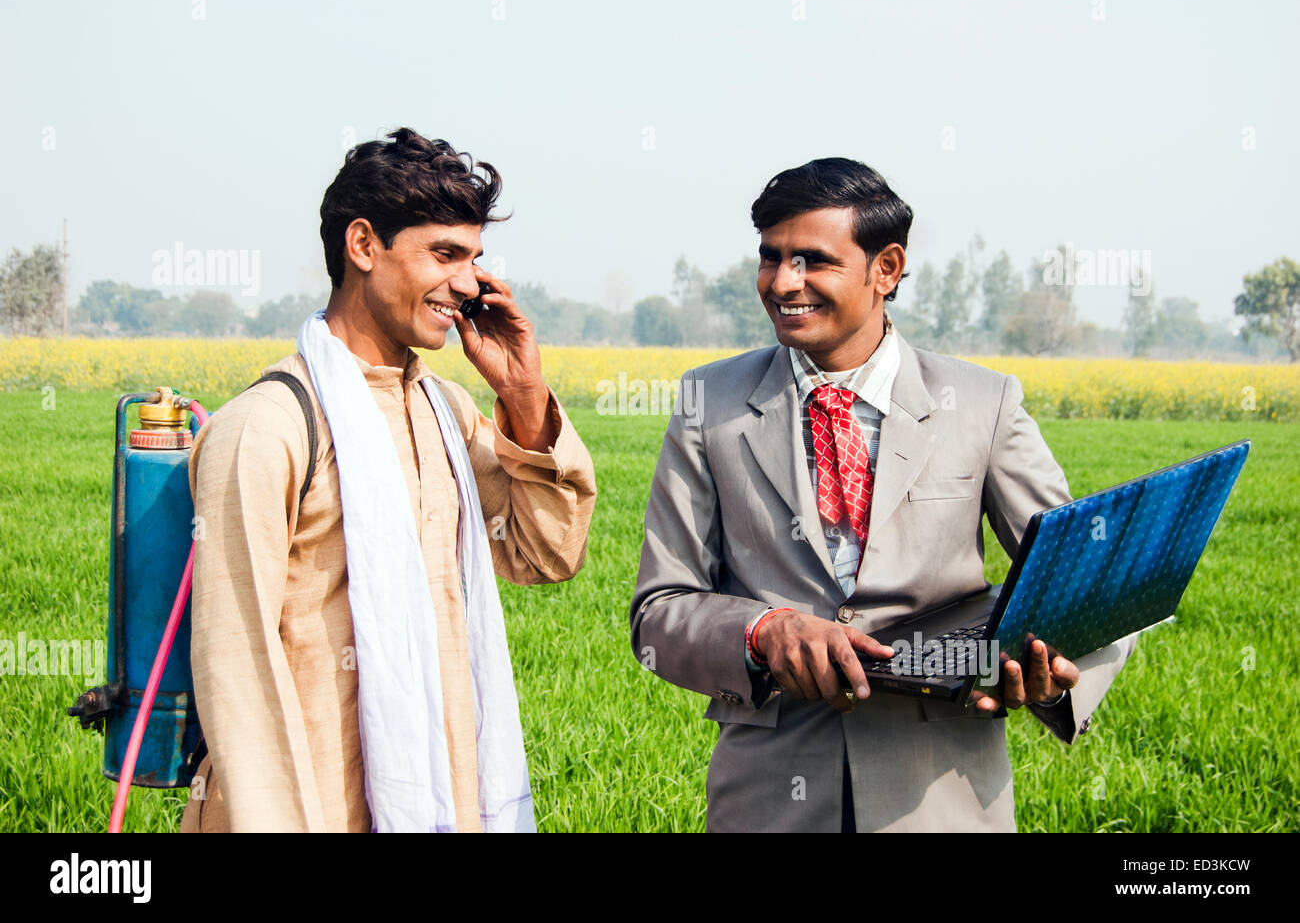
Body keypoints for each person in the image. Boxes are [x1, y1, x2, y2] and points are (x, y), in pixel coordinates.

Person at [630, 157, 1136, 832]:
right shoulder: (708, 404)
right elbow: (660, 609)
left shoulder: (982, 403)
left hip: (941, 799)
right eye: (771, 258)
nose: (784, 283)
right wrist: (763, 631)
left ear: (887, 269)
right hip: (768, 800)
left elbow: (1086, 585)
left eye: (813, 260)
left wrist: (1057, 672)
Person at [181, 128, 596, 833]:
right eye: (444, 254)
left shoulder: (446, 412)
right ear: (364, 245)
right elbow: (237, 664)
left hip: (444, 802)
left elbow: (545, 555)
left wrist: (524, 395)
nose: (467, 284)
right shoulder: (270, 426)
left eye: (474, 260)